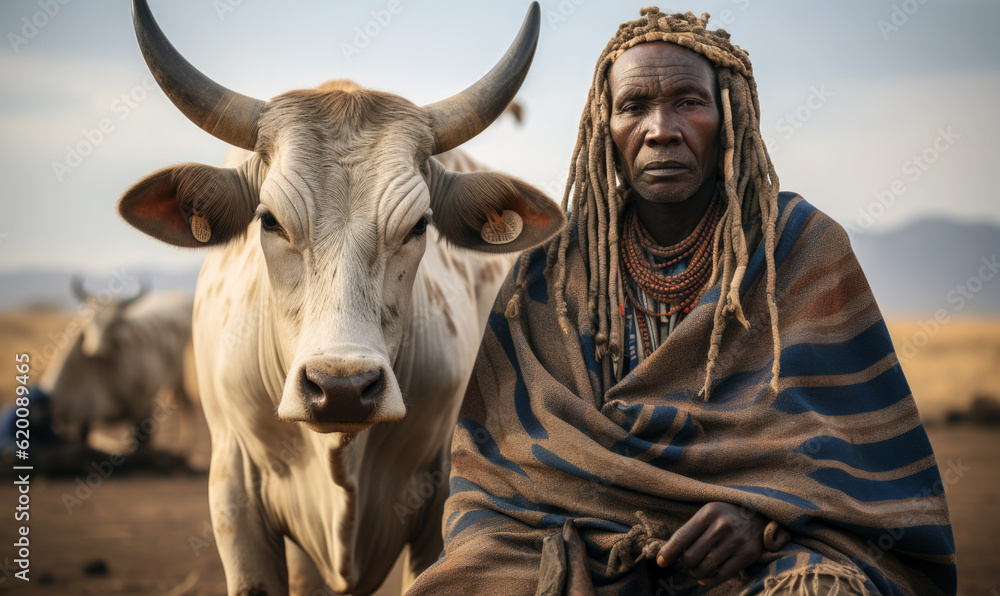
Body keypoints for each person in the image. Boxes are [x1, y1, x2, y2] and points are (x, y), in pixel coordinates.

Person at [406, 8, 955, 596]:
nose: (661, 128)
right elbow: (495, 471)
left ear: (729, 117)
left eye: (690, 102)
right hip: (574, 545)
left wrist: (765, 519)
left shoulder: (798, 249)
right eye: (634, 106)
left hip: (761, 556)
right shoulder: (549, 268)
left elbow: (859, 466)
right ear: (603, 124)